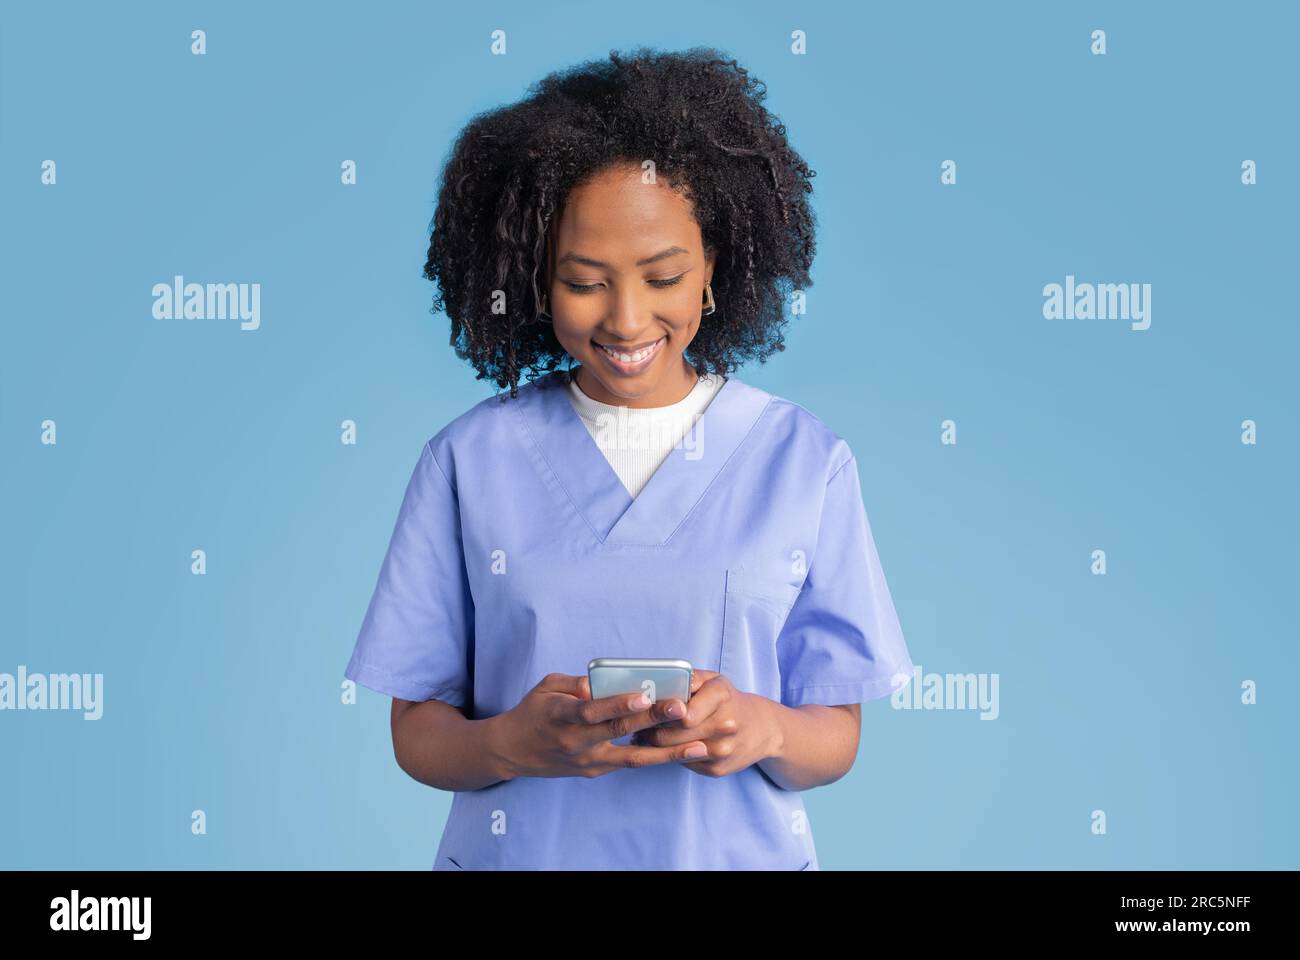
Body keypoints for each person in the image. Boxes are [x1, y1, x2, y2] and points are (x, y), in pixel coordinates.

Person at [344, 46, 913, 870]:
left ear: (715, 267)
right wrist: (513, 744)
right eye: (585, 281)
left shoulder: (804, 461)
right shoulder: (469, 462)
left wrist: (767, 727)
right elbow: (416, 733)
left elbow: (836, 737)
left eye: (663, 275)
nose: (627, 317)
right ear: (536, 279)